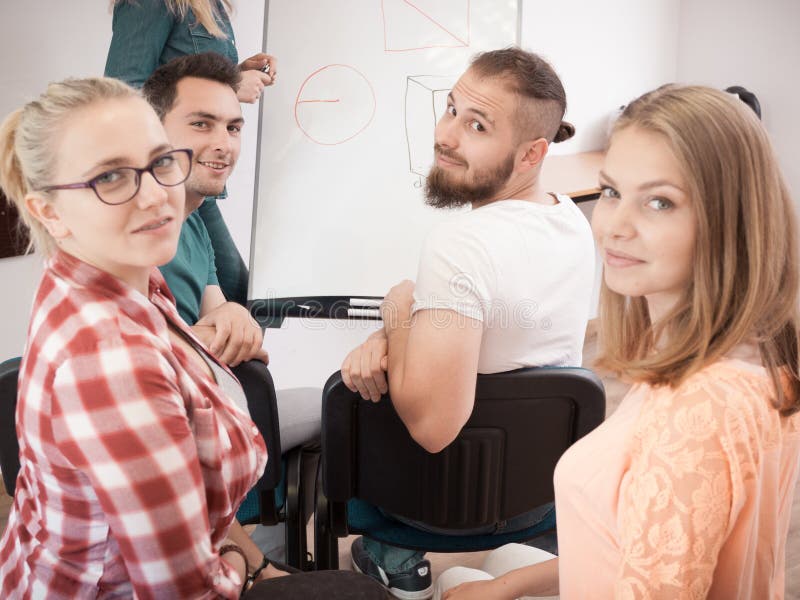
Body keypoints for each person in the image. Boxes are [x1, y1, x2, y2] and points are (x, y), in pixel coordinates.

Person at [437, 85, 800, 599]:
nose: (614, 227)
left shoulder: (700, 409)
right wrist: (510, 586)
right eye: (611, 192)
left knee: (456, 578)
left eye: (659, 202)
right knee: (492, 569)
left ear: (730, 220)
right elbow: (638, 546)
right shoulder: (737, 358)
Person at [0, 76, 277, 597]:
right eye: (110, 177)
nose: (156, 197)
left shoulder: (120, 270)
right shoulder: (108, 360)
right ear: (48, 212)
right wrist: (239, 562)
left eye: (162, 161)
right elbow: (186, 592)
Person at [341, 48, 596, 599]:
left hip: (440, 509)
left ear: (531, 154)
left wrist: (399, 307)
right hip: (540, 498)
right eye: (451, 109)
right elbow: (499, 333)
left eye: (476, 125)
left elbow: (434, 429)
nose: (446, 135)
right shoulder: (571, 219)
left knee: (355, 406)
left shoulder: (460, 247)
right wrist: (393, 333)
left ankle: (396, 565)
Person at [143, 52, 321, 561]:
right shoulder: (136, 234)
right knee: (341, 409)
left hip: (219, 409)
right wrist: (219, 332)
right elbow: (151, 362)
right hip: (172, 442)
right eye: (202, 124)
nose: (223, 144)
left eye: (234, 127)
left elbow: (230, 325)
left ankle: (266, 541)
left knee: (337, 404)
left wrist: (229, 322)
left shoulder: (195, 223)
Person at [105, 0, 278, 306]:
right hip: (168, 176)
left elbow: (189, 79)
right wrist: (234, 86)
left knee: (245, 301)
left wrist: (236, 72)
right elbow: (120, 94)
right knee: (244, 298)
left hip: (192, 181)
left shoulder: (212, 6)